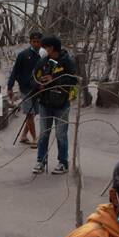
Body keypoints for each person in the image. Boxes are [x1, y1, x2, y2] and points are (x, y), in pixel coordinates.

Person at [31, 36, 79, 174]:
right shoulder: (43, 61)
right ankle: (41, 161)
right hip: (45, 103)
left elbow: (73, 80)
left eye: (44, 46)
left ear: (51, 47)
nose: (42, 49)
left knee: (61, 134)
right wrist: (38, 84)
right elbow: (34, 76)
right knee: (44, 134)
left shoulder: (67, 62)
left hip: (62, 104)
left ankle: (63, 163)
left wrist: (54, 79)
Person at [6, 31, 42, 146]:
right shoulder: (23, 55)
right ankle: (35, 138)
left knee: (34, 112)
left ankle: (23, 135)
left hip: (37, 89)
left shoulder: (43, 56)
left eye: (38, 42)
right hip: (25, 89)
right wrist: (10, 87)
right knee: (29, 114)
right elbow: (15, 71)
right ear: (30, 42)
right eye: (34, 41)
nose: (36, 44)